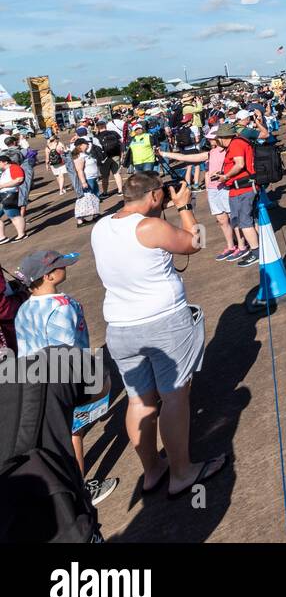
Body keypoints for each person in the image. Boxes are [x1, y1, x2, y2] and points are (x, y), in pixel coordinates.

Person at [89, 173, 228, 498]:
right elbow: (195, 241)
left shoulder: (101, 227)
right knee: (175, 396)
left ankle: (152, 470)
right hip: (162, 322)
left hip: (121, 327)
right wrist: (184, 206)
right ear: (154, 196)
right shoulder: (150, 227)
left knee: (140, 400)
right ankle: (182, 472)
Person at [12, 250, 119, 507]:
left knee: (50, 437)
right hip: (63, 381)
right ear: (49, 276)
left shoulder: (23, 309)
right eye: (61, 265)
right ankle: (81, 491)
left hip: (33, 381)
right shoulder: (64, 306)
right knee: (73, 433)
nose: (66, 266)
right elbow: (67, 352)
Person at [158, 128, 252, 262]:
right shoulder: (211, 153)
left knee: (233, 219)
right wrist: (164, 153)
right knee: (222, 220)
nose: (209, 140)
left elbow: (237, 165)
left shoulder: (229, 150)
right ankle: (231, 246)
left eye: (211, 138)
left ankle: (242, 246)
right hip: (214, 190)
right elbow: (186, 157)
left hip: (226, 188)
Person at [210, 124, 260, 268]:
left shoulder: (236, 144)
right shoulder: (237, 142)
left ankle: (256, 252)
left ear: (223, 137)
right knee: (249, 220)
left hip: (243, 189)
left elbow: (239, 164)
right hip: (239, 188)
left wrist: (225, 176)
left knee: (245, 222)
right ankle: (259, 247)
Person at [0, 151, 28, 244]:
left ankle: (21, 234)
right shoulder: (5, 171)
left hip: (10, 194)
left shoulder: (14, 167)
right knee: (13, 215)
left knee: (14, 215)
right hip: (4, 194)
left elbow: (19, 179)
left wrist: (2, 185)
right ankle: (2, 237)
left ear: (5, 162)